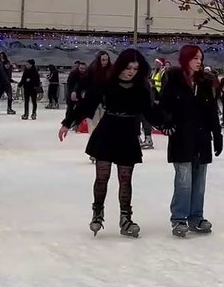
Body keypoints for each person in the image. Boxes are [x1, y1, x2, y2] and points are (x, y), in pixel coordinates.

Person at [58, 48, 162, 238]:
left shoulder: (141, 88)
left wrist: (169, 124)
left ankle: (126, 218)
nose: (131, 72)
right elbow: (87, 104)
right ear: (121, 66)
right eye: (128, 67)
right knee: (102, 176)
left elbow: (150, 113)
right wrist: (68, 122)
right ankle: (97, 213)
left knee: (125, 178)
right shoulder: (107, 83)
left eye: (136, 69)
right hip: (107, 131)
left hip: (128, 134)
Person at [159, 45, 223, 237]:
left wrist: (217, 134)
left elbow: (212, 110)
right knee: (184, 181)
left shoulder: (205, 82)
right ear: (185, 59)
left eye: (200, 58)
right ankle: (179, 218)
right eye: (195, 58)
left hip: (202, 138)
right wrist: (166, 122)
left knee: (199, 181)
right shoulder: (174, 80)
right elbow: (164, 106)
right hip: (181, 138)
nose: (199, 62)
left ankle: (196, 216)